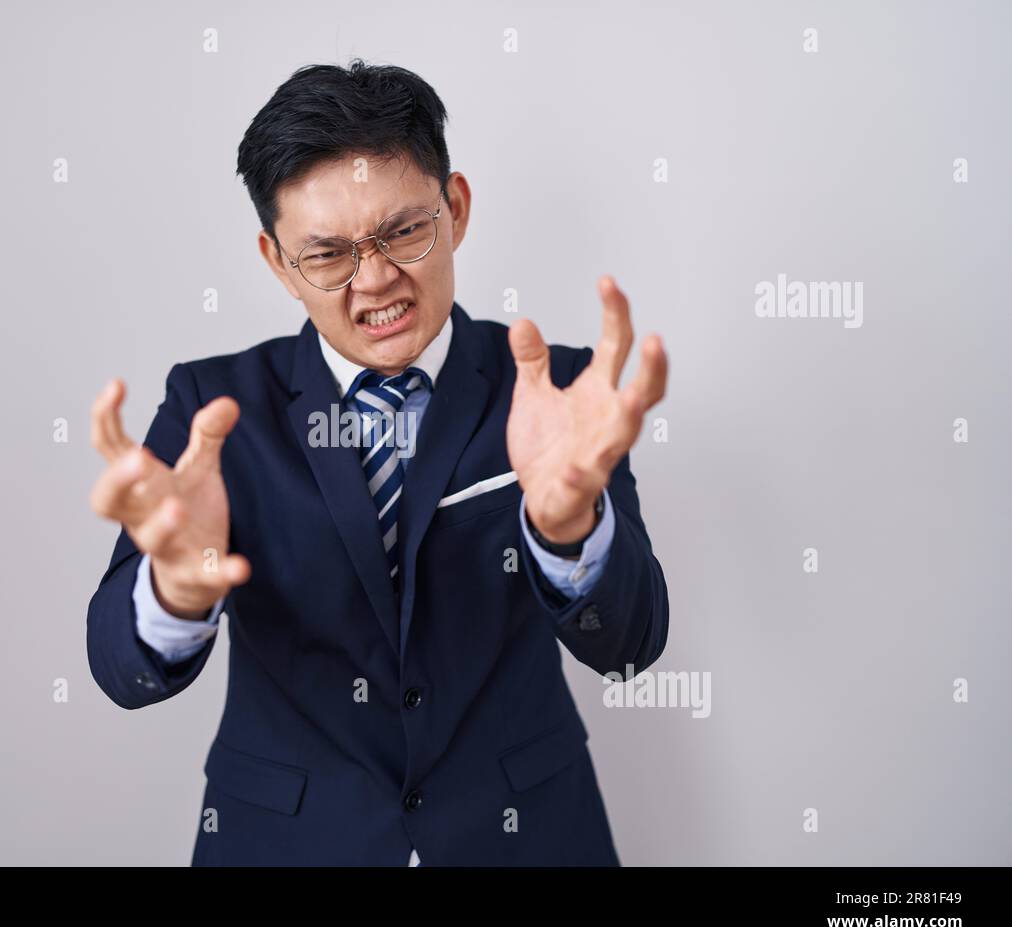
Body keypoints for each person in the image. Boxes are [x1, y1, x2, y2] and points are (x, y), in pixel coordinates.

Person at [86, 59, 669, 866]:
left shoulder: (557, 391)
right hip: (285, 844)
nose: (377, 280)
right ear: (276, 262)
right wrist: (176, 591)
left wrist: (569, 533)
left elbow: (631, 645)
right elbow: (121, 673)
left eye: (403, 231)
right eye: (327, 254)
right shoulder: (212, 411)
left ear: (455, 208)